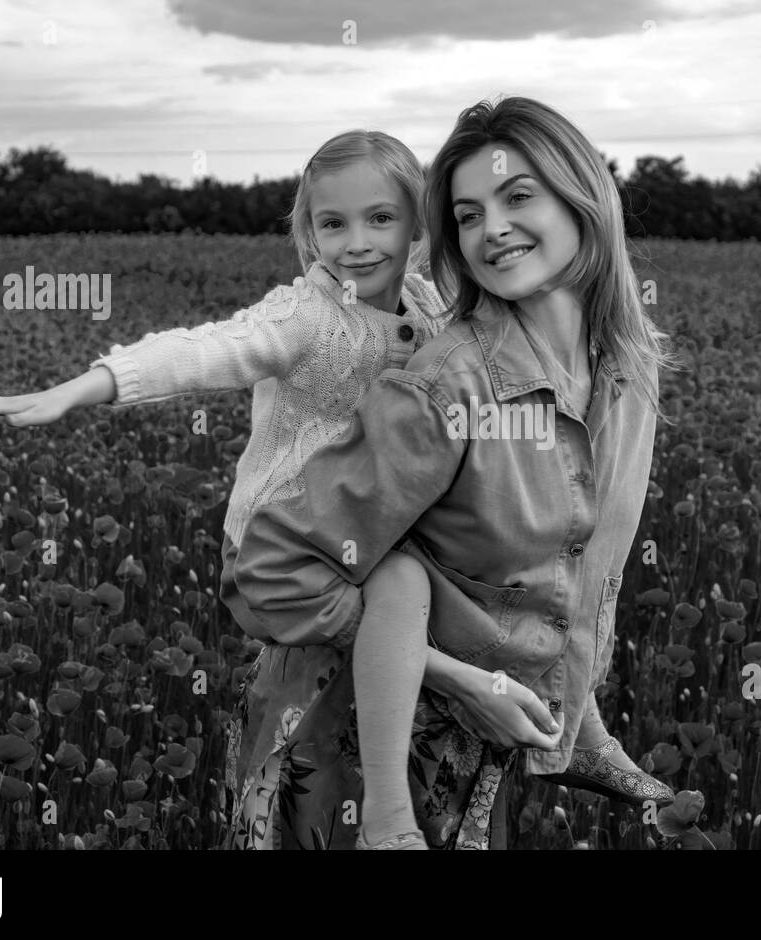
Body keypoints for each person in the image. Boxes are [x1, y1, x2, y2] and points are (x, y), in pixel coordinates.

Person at [0, 130, 454, 849]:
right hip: (285, 554)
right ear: (308, 234)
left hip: (368, 544)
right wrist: (87, 386)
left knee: (424, 585)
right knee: (405, 623)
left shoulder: (432, 307)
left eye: (381, 218)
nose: (357, 243)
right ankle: (437, 736)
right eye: (331, 223)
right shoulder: (306, 316)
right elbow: (205, 348)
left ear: (418, 226)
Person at [222, 95, 677, 851]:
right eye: (468, 214)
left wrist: (578, 729)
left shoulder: (630, 379)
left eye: (518, 196)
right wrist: (457, 677)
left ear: (585, 198)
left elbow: (575, 584)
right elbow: (270, 570)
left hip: (484, 750)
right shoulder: (445, 389)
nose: (491, 228)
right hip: (351, 745)